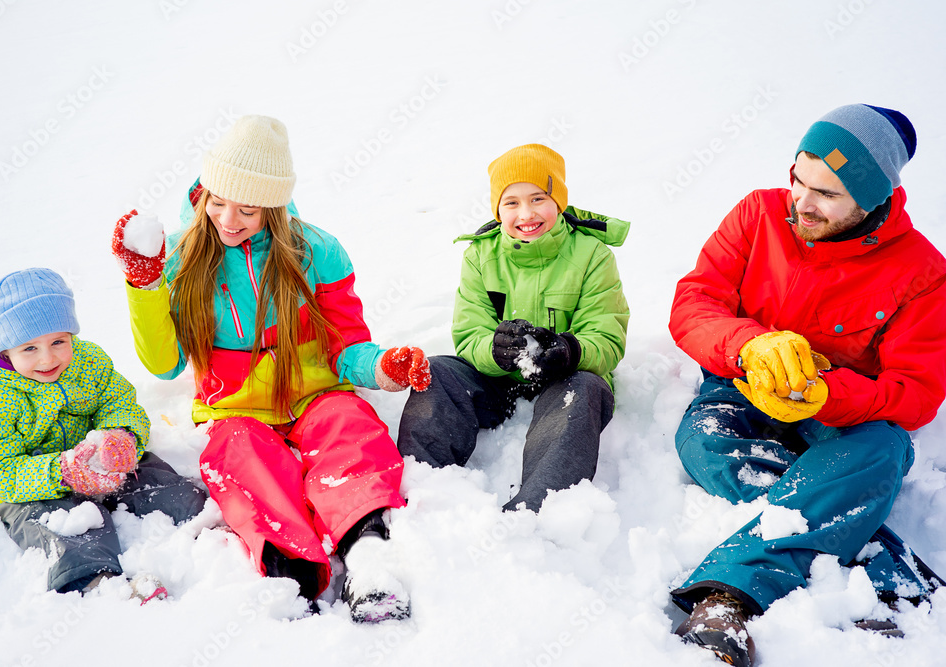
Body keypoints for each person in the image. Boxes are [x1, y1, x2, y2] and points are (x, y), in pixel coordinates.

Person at [112, 115, 430, 623]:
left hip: (315, 394)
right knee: (242, 461)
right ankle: (292, 570)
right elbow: (165, 363)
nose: (228, 219)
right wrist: (144, 288)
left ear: (275, 207)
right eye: (217, 202)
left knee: (348, 428)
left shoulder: (317, 252)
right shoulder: (181, 256)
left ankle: (366, 557)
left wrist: (383, 367)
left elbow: (347, 346)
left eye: (247, 208)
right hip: (236, 411)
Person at [668, 104, 946, 666]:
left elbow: (915, 392)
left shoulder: (923, 272)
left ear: (870, 200)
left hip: (836, 418)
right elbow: (694, 303)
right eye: (798, 178)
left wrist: (828, 393)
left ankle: (726, 597)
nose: (802, 200)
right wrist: (750, 344)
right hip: (739, 388)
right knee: (701, 439)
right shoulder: (758, 214)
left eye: (827, 193)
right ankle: (877, 564)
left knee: (886, 447)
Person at [397, 144, 630, 512]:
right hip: (497, 380)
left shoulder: (593, 255)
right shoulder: (480, 255)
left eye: (538, 198)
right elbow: (469, 331)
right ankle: (417, 490)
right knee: (438, 372)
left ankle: (536, 509)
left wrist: (571, 351)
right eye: (512, 203)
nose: (526, 214)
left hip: (564, 380)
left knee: (585, 390)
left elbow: (606, 334)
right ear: (497, 209)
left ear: (559, 202)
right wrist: (494, 349)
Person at [0, 268, 207, 600]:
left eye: (59, 341)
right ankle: (99, 581)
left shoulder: (87, 361)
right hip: (25, 488)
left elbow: (117, 399)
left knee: (156, 479)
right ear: (4, 351)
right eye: (29, 349)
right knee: (64, 525)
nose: (48, 358)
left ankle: (206, 522)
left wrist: (121, 435)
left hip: (94, 462)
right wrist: (62, 472)